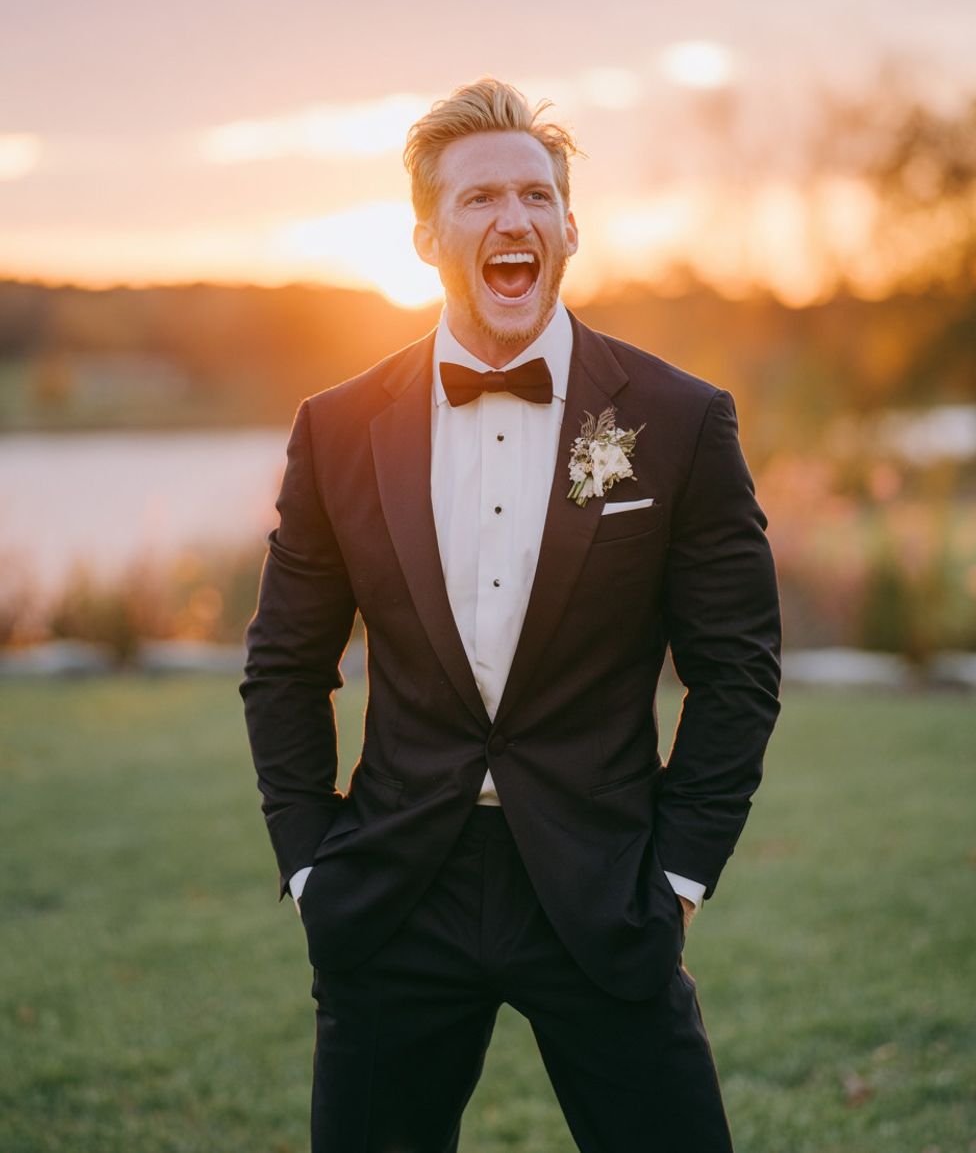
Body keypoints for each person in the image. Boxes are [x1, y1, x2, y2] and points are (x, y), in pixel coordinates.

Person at [240, 76, 781, 1153]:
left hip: (602, 886)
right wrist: (311, 866)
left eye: (536, 196)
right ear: (426, 234)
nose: (513, 219)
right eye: (481, 198)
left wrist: (674, 877)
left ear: (569, 226)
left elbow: (738, 671)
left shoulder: (677, 420)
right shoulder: (338, 429)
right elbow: (286, 666)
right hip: (396, 892)